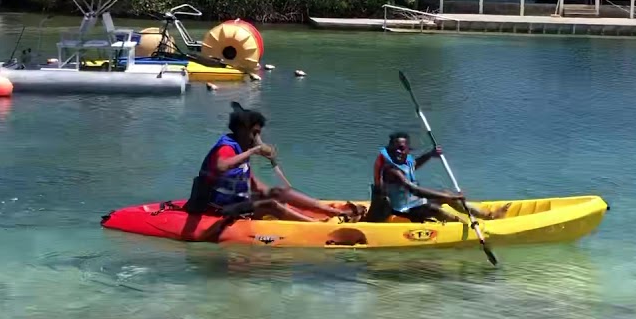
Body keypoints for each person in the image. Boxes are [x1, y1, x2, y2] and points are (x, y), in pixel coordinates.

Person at [187, 107, 359, 222]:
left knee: (278, 192)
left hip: (238, 203)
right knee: (270, 204)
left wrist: (281, 194)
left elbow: (255, 186)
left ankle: (333, 212)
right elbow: (221, 166)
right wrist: (253, 151)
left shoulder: (241, 148)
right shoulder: (226, 147)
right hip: (219, 210)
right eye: (254, 133)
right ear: (241, 130)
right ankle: (315, 225)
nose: (257, 139)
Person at [368, 132, 508, 223]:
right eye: (394, 148)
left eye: (401, 148)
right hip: (402, 209)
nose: (398, 151)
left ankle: (488, 216)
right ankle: (461, 225)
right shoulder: (391, 170)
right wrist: (453, 197)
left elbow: (413, 165)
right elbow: (415, 190)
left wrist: (430, 154)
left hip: (413, 203)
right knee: (435, 208)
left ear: (407, 149)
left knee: (446, 194)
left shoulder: (405, 162)